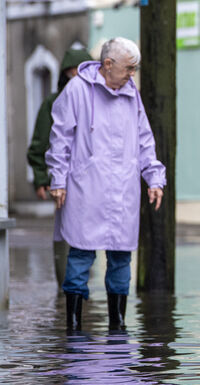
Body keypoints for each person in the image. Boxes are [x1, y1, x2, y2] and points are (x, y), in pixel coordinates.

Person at [46, 37, 166, 333]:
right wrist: (58, 179)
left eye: (135, 69)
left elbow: (144, 139)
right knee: (81, 253)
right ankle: (73, 325)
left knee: (121, 255)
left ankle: (118, 324)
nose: (132, 74)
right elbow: (60, 137)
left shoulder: (130, 94)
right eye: (128, 68)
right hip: (86, 187)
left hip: (122, 189)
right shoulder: (77, 90)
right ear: (107, 64)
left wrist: (154, 178)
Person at [26, 46, 94, 285]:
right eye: (71, 71)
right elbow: (40, 143)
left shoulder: (102, 100)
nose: (76, 76)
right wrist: (42, 178)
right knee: (66, 234)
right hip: (66, 180)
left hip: (97, 180)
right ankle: (69, 292)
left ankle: (84, 290)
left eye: (81, 70)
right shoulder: (54, 102)